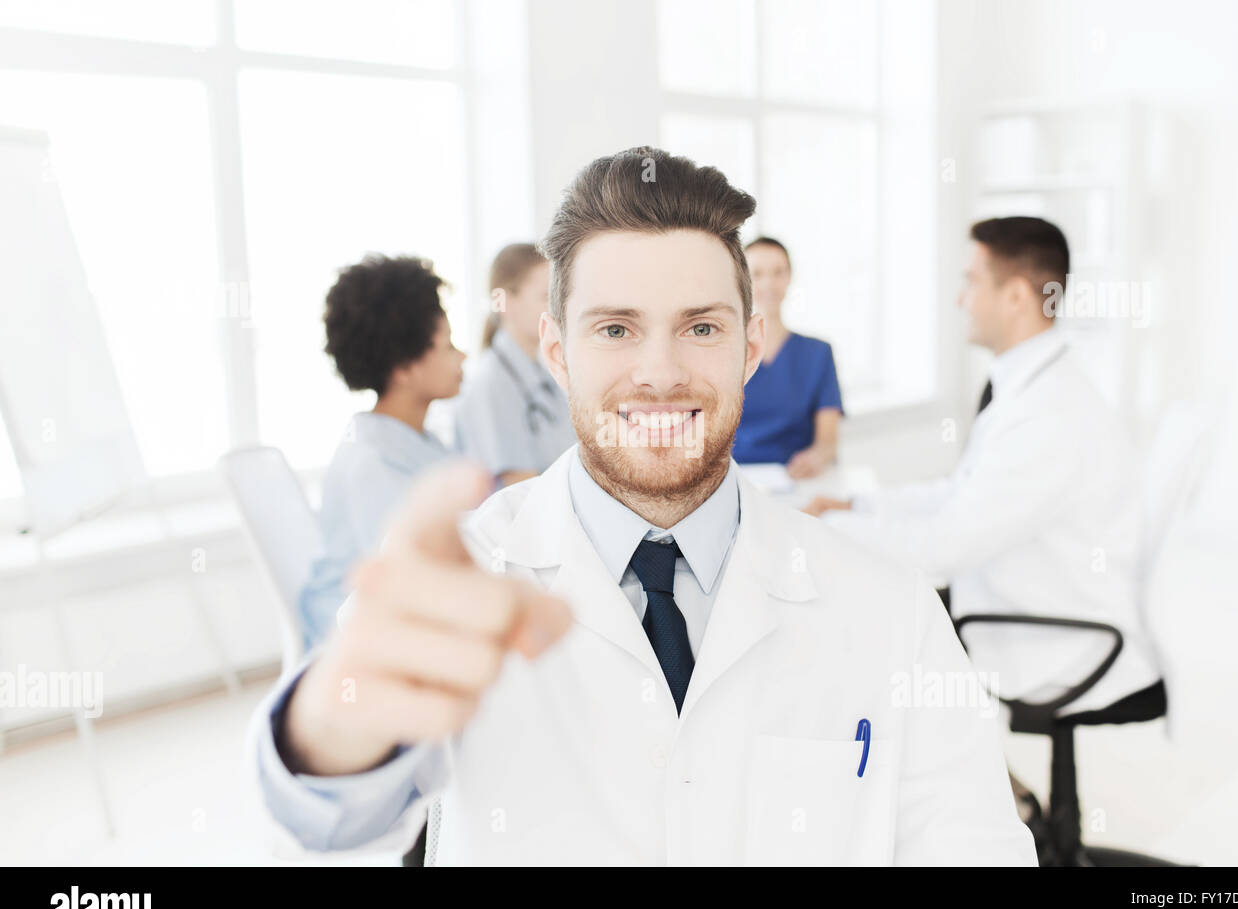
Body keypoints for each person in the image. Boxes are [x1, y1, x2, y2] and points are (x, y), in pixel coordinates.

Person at [251, 148, 1036, 866]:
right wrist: (332, 724)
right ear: (558, 353)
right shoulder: (469, 579)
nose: (659, 373)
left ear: (750, 347)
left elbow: (977, 847)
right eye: (617, 329)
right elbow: (328, 819)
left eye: (700, 327)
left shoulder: (890, 608)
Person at [805, 217, 1161, 717]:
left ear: (1015, 296)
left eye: (971, 281)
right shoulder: (1032, 388)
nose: (960, 299)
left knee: (854, 628)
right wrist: (856, 505)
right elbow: (960, 493)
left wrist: (830, 529)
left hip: (1050, 636)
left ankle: (954, 785)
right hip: (1024, 600)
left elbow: (944, 548)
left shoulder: (1048, 415)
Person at [297, 254, 465, 652]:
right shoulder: (372, 463)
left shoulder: (417, 439)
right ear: (405, 367)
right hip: (362, 639)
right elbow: (411, 581)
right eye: (448, 346)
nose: (462, 357)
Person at [453, 243, 576, 486]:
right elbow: (519, 489)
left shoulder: (543, 376)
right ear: (505, 301)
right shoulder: (491, 384)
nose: (558, 309)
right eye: (546, 297)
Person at [730, 237, 842, 478]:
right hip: (736, 481)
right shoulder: (724, 354)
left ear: (789, 277)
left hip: (796, 480)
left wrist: (817, 457)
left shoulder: (818, 354)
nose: (769, 283)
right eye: (757, 273)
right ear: (742, 280)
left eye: (778, 272)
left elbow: (828, 442)